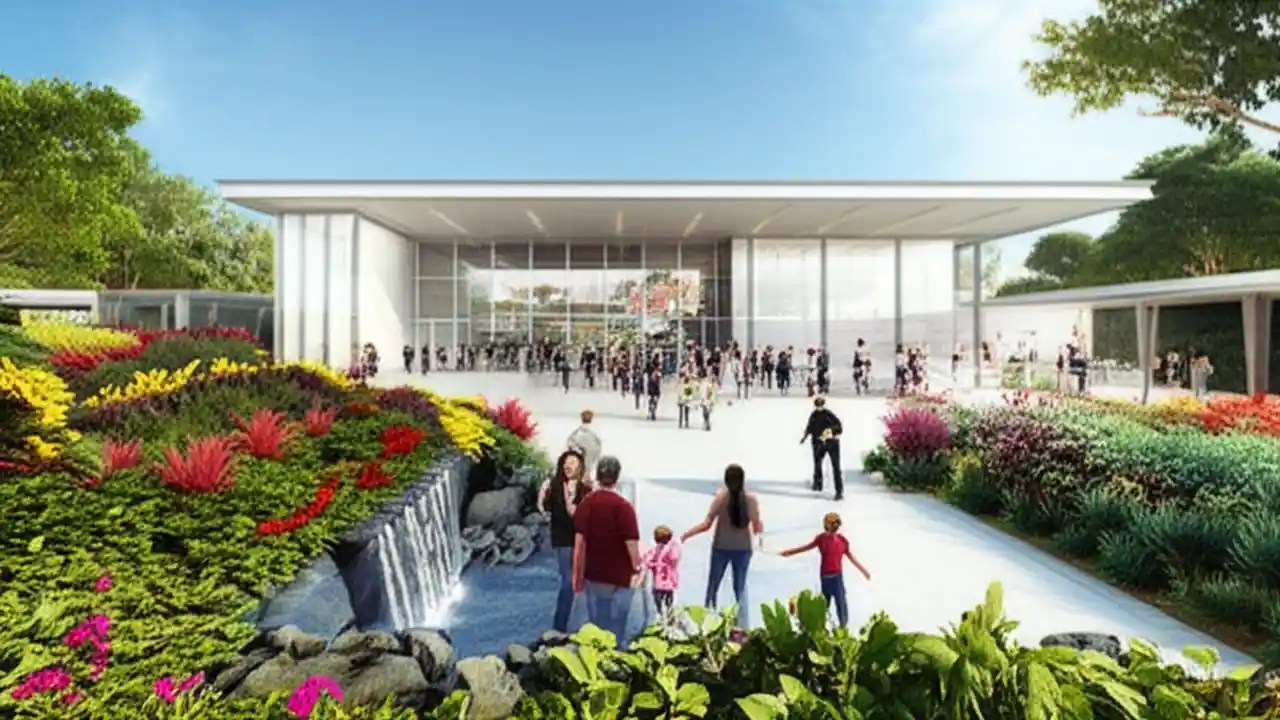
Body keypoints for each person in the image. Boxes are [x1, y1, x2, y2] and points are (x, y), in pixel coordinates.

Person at [680, 464, 762, 630]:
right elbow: (757, 526)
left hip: (721, 547)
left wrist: (686, 535)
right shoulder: (751, 500)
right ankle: (742, 627)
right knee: (740, 588)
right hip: (744, 548)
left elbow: (707, 524)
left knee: (713, 586)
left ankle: (707, 625)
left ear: (726, 480)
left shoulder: (720, 497)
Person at [572, 456, 641, 644]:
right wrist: (637, 568)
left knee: (598, 621)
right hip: (620, 575)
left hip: (594, 573)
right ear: (617, 477)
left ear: (597, 476)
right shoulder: (624, 508)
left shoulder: (586, 504)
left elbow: (579, 543)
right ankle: (616, 656)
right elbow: (631, 544)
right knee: (618, 623)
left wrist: (577, 574)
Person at [778, 512, 871, 628]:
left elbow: (851, 557)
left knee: (841, 604)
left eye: (834, 524)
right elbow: (807, 547)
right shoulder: (821, 539)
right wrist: (790, 552)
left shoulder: (843, 541)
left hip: (837, 578)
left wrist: (863, 571)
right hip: (825, 578)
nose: (832, 527)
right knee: (823, 605)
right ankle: (819, 628)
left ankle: (843, 628)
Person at [538, 450, 591, 633]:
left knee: (583, 582)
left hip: (582, 539)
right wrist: (542, 494)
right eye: (566, 462)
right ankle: (559, 627)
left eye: (573, 463)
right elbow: (544, 508)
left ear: (580, 467)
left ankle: (583, 624)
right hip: (562, 539)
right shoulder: (554, 485)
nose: (569, 466)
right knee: (568, 581)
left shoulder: (585, 489)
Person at [800, 396, 844, 500]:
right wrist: (805, 437)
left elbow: (839, 426)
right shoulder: (814, 415)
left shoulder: (829, 414)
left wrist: (829, 431)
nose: (819, 407)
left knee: (836, 467)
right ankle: (818, 484)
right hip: (818, 443)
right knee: (817, 463)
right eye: (817, 406)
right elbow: (809, 427)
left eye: (821, 405)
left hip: (831, 442)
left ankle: (839, 491)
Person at [637, 525, 682, 619]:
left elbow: (646, 563)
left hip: (658, 585)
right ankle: (668, 621)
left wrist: (640, 579)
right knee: (669, 607)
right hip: (669, 585)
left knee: (659, 608)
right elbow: (675, 559)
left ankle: (661, 619)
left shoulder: (654, 551)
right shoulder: (672, 550)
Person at [566, 409, 602, 482]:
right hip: (589, 461)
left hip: (579, 460)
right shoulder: (595, 434)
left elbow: (569, 444)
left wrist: (578, 450)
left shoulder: (577, 432)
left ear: (581, 418)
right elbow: (598, 448)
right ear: (592, 419)